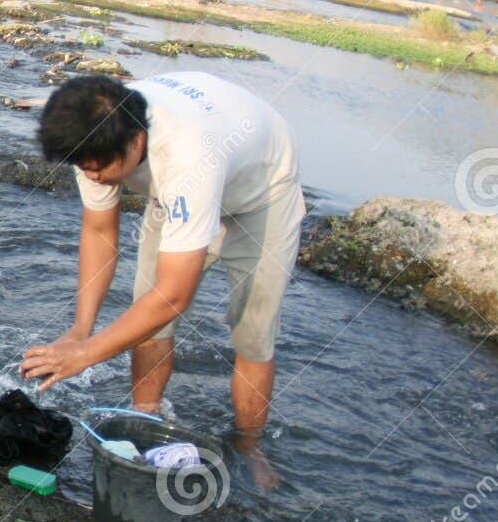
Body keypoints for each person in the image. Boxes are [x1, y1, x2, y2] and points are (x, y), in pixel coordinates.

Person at [19, 73, 304, 486]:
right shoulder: (94, 137)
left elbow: (173, 295)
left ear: (136, 142)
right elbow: (100, 232)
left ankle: (249, 447)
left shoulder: (186, 159)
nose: (91, 176)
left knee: (253, 333)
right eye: (85, 168)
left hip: (262, 191)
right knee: (146, 314)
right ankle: (146, 419)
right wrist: (81, 330)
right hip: (182, 183)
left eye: (98, 169)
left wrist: (84, 356)